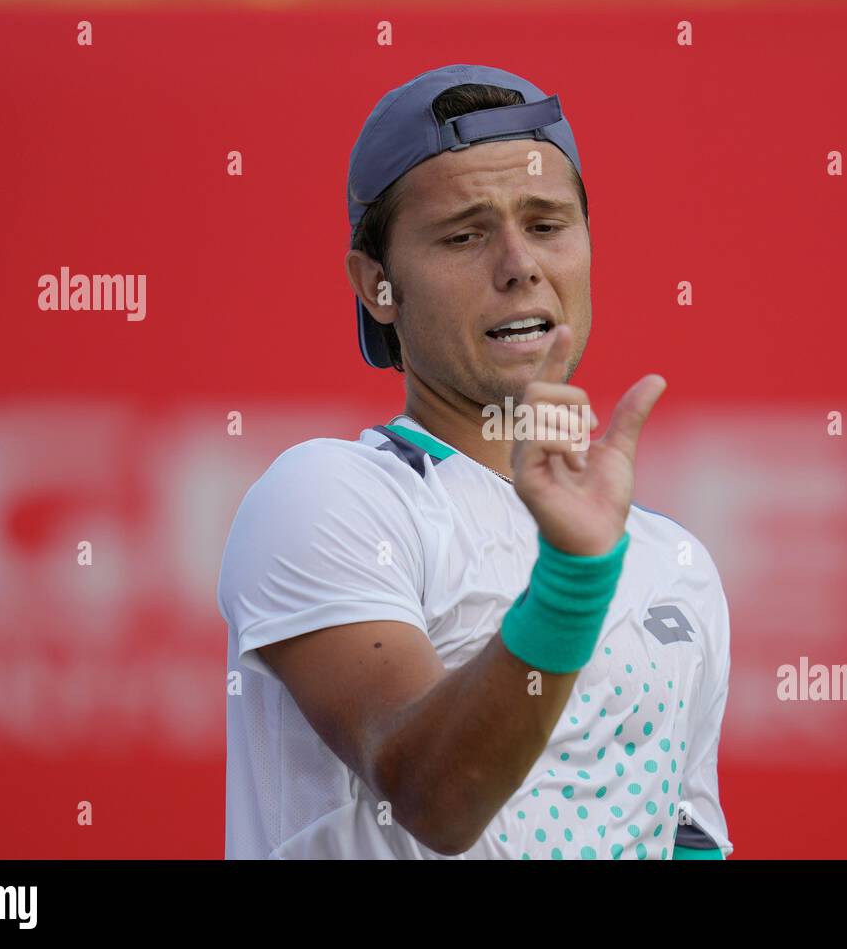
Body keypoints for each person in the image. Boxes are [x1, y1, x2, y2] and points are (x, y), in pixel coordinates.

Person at [217, 63, 733, 860]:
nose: (519, 264)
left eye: (548, 224)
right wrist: (573, 578)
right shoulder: (327, 494)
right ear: (378, 286)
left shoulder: (677, 563)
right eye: (464, 234)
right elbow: (435, 797)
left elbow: (683, 840)